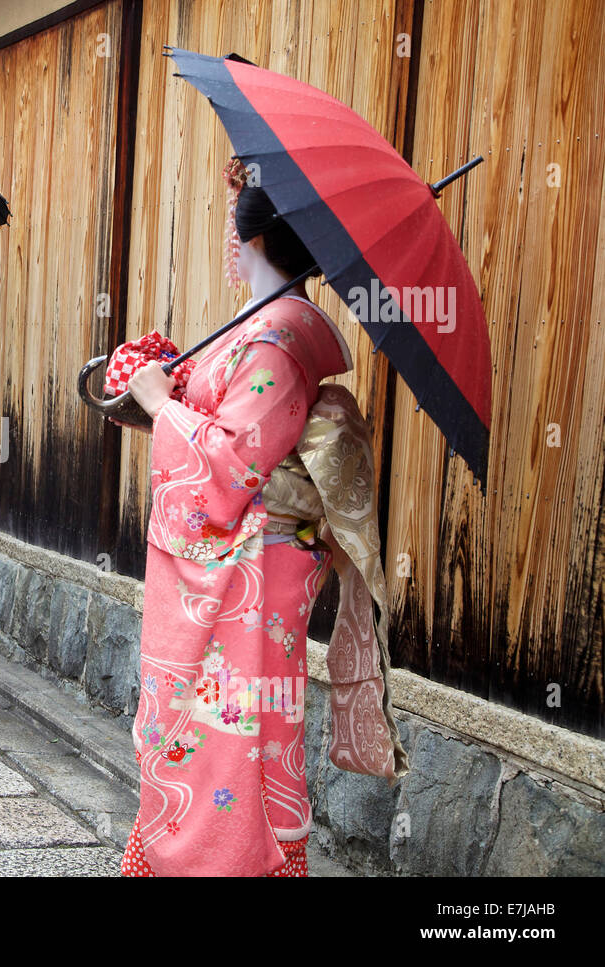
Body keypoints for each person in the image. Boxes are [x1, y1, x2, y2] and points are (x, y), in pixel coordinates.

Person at [114, 160, 408, 876]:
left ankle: (231, 860)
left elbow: (233, 463)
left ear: (248, 238)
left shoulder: (279, 337)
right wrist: (173, 379)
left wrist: (160, 404)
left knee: (238, 727)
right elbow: (224, 426)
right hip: (252, 558)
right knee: (220, 722)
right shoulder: (267, 325)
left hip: (251, 562)